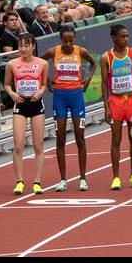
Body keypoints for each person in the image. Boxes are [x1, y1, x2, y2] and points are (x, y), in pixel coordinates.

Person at [45, 22, 97, 192]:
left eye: (70, 41)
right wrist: (47, 80)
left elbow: (93, 63)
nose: (68, 45)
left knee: (80, 138)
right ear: (60, 39)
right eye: (65, 41)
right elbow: (40, 63)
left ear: (74, 39)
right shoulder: (54, 51)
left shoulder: (80, 51)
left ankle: (83, 179)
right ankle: (63, 180)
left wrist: (88, 78)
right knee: (60, 139)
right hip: (59, 97)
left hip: (76, 98)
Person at [101, 23, 132, 190]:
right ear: (114, 38)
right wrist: (106, 107)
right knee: (116, 139)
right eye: (123, 36)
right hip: (116, 102)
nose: (126, 39)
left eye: (127, 36)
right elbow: (104, 84)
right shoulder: (106, 57)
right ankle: (116, 178)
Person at [5, 32, 46, 195]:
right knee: (18, 145)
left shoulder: (42, 63)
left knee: (38, 145)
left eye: (26, 45)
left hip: (36, 105)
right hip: (20, 105)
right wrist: (12, 94)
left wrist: (40, 93)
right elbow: (7, 84)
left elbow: (44, 84)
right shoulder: (12, 64)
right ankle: (19, 181)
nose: (23, 48)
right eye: (20, 45)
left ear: (33, 46)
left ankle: (37, 182)